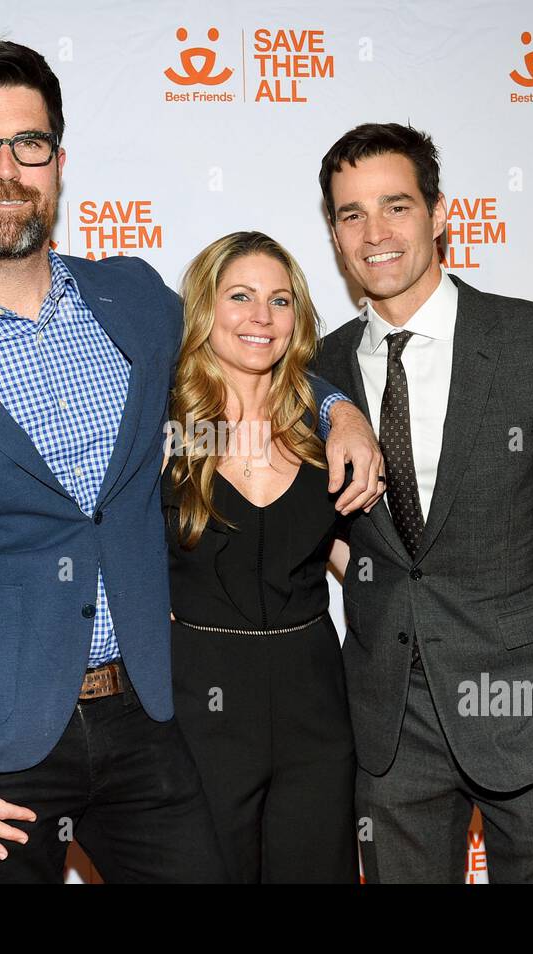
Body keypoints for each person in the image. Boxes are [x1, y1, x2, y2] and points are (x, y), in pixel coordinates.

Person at [0, 37, 383, 884]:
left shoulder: (136, 301)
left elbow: (256, 348)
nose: (6, 167)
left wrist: (339, 411)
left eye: (29, 144)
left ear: (58, 163)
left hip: (151, 719)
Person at [312, 123, 533, 883]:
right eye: (350, 215)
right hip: (389, 732)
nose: (375, 234)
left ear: (440, 214)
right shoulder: (317, 368)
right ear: (335, 235)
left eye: (395, 206)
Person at [162, 231, 358, 882]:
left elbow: (367, 569)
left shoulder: (322, 434)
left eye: (280, 301)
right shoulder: (162, 434)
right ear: (203, 310)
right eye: (240, 296)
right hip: (202, 706)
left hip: (316, 707)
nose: (261, 318)